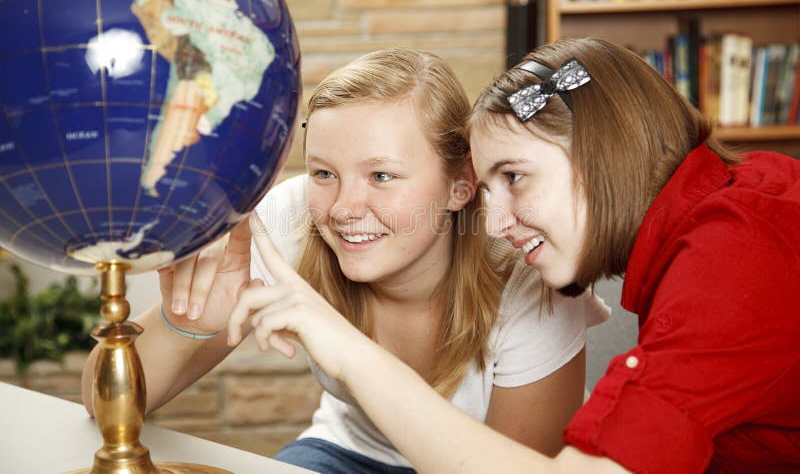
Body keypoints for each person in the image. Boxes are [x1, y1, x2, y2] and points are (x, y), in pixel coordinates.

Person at [225, 37, 800, 473]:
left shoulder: (734, 264)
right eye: (488, 187)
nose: (495, 222)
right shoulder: (732, 218)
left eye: (516, 177)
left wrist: (347, 351)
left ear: (605, 154)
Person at [81, 49, 609, 473]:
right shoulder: (291, 218)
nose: (343, 209)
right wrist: (191, 320)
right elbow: (100, 406)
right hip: (349, 455)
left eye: (381, 176)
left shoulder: (526, 265)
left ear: (460, 185)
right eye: (324, 173)